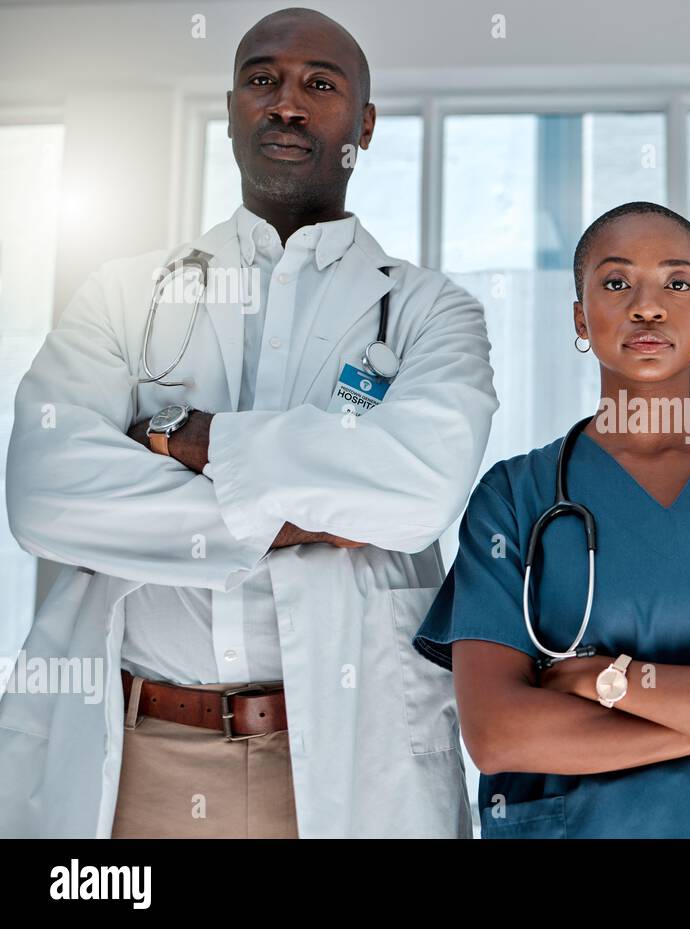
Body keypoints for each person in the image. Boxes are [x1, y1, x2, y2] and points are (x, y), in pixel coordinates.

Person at [0, 8, 497, 838]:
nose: (288, 104)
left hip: (340, 760)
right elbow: (44, 493)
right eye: (263, 80)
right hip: (138, 757)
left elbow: (417, 492)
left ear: (363, 125)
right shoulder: (126, 293)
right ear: (232, 108)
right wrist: (305, 516)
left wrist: (192, 441)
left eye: (321, 85)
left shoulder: (430, 312)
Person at [414, 201, 690, 838]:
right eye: (617, 283)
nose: (647, 307)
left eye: (677, 284)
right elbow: (499, 733)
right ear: (580, 316)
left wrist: (604, 679)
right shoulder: (516, 497)